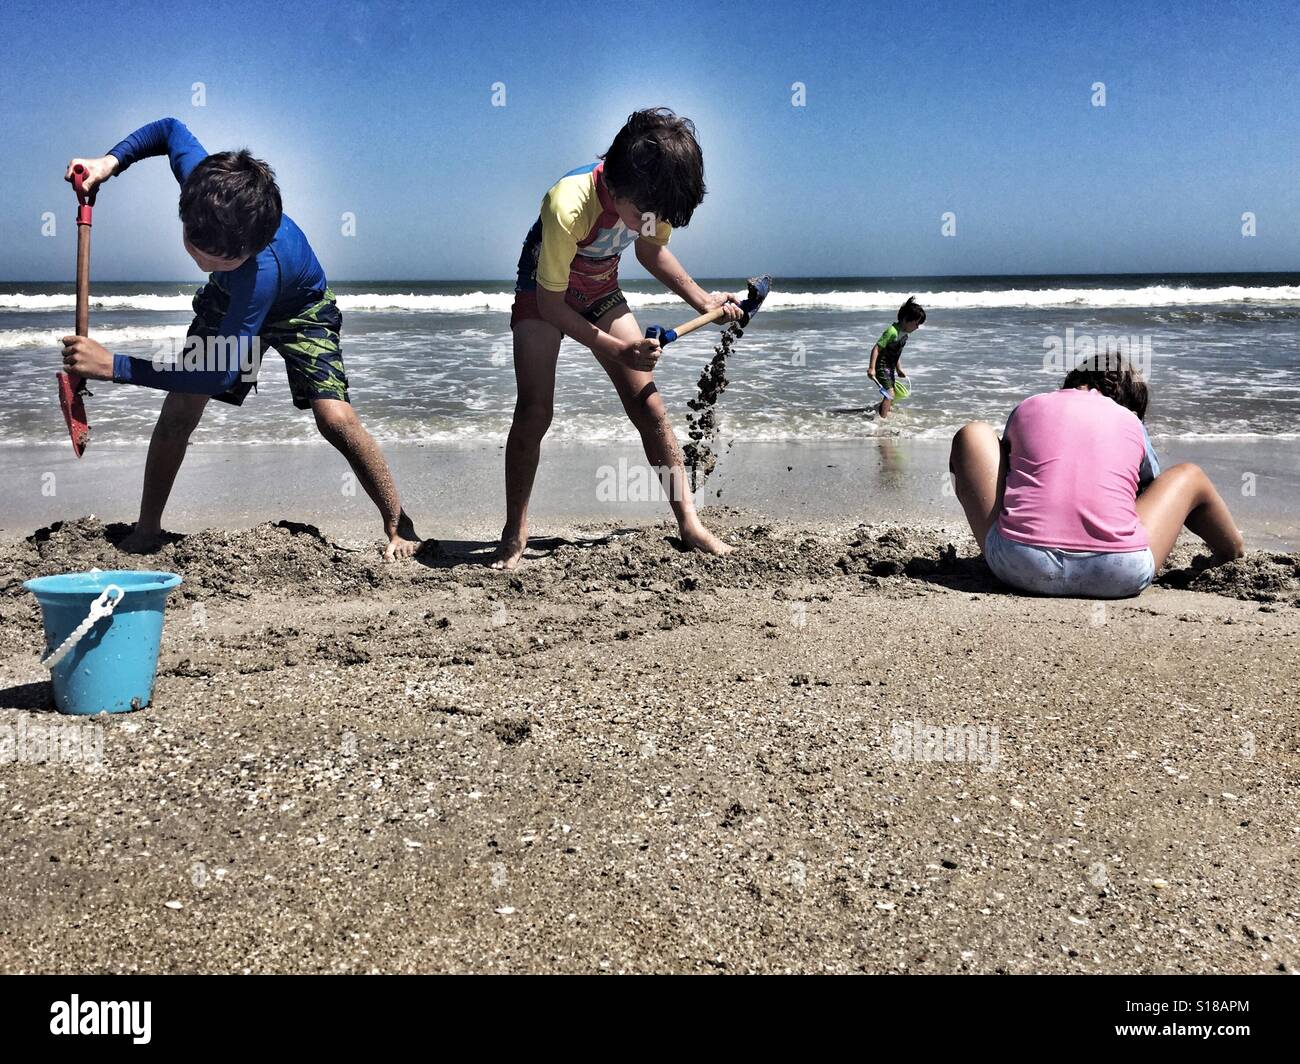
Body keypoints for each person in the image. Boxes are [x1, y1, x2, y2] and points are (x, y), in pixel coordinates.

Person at [60, 118, 422, 559]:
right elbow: (170, 130)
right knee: (178, 410)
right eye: (194, 245)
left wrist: (114, 366)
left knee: (335, 419)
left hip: (299, 311)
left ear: (250, 248)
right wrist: (108, 164)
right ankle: (148, 527)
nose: (200, 260)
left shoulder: (259, 273)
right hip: (228, 301)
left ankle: (398, 524)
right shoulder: (205, 188)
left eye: (218, 259)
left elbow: (216, 376)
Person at [491, 108, 741, 571]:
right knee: (534, 410)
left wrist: (702, 301)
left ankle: (689, 523)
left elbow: (650, 251)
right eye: (647, 215)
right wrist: (619, 349)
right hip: (543, 290)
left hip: (601, 287)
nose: (652, 221)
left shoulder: (651, 196)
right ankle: (514, 529)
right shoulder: (568, 204)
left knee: (650, 407)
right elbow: (551, 307)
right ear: (620, 187)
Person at [949, 353, 1244, 598]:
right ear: (1129, 402)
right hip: (1119, 574)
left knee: (972, 434)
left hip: (1017, 565)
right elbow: (1148, 486)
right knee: (1189, 475)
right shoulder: (1129, 422)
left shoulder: (1030, 406)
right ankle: (1230, 553)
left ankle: (1013, 537)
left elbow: (1010, 466)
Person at [868, 296, 925, 418]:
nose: (917, 327)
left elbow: (896, 353)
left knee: (892, 392)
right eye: (916, 323)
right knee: (890, 393)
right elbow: (876, 348)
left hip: (890, 368)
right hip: (882, 366)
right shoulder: (892, 331)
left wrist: (899, 369)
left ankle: (883, 410)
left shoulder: (904, 335)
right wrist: (871, 368)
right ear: (905, 320)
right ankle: (882, 421)